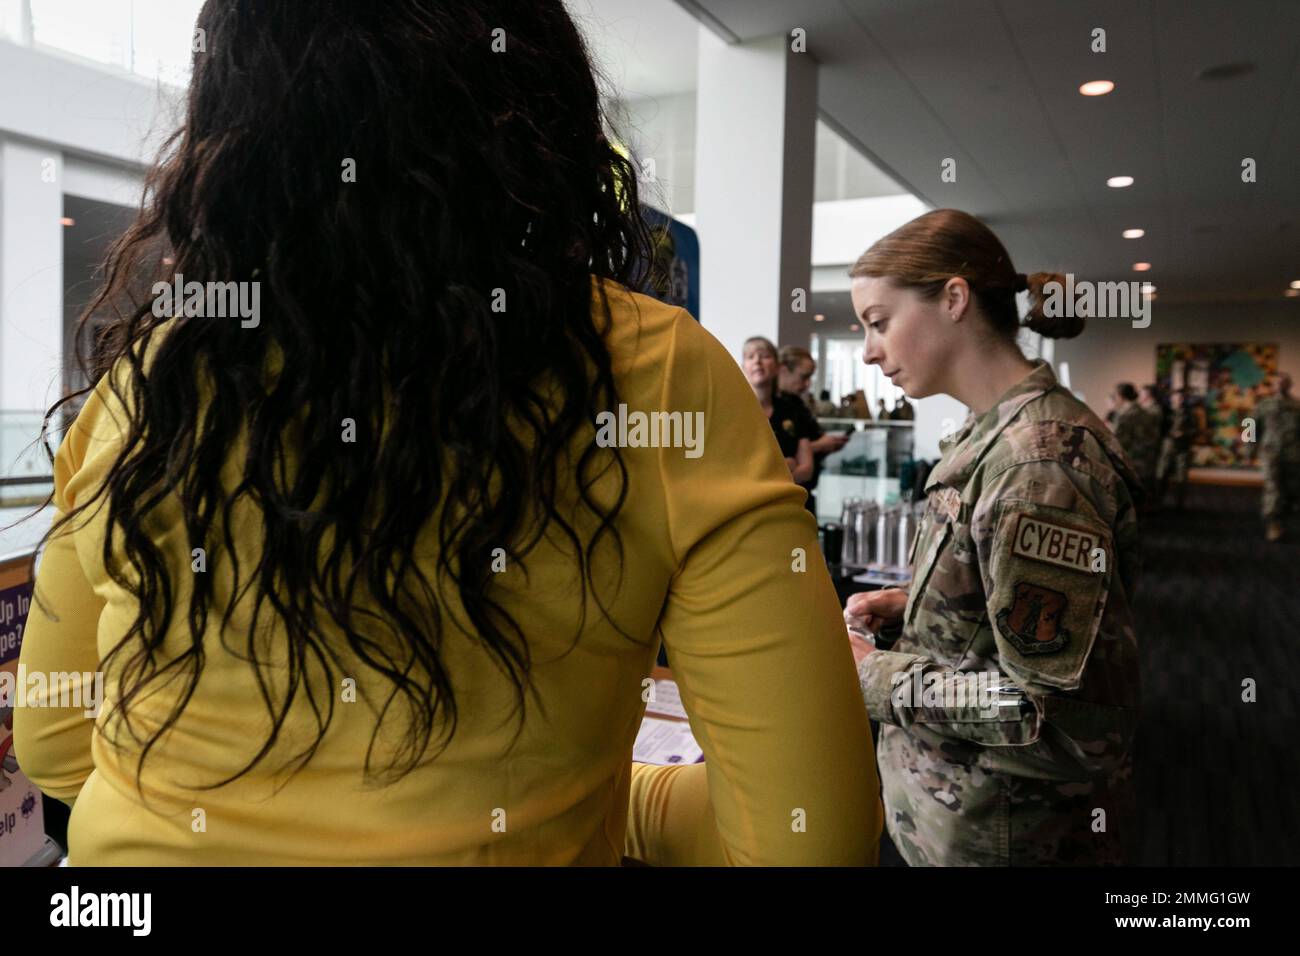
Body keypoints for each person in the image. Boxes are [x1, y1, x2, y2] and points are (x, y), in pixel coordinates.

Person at [14, 0, 881, 866]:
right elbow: (812, 840)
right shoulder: (655, 373)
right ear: (544, 108)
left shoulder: (149, 382)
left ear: (229, 133)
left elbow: (55, 744)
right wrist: (614, 799)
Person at [841, 208, 1141, 866]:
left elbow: (1049, 714)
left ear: (953, 298)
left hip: (1005, 836)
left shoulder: (1039, 466)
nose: (867, 350)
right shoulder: (993, 436)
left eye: (878, 322)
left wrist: (874, 675)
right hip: (957, 818)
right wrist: (919, 603)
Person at [778, 345, 850, 510]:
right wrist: (819, 446)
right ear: (783, 370)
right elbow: (780, 455)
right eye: (803, 377)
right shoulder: (777, 409)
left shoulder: (796, 405)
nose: (807, 384)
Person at [743, 337, 816, 485]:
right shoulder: (734, 411)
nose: (757, 361)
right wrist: (788, 464)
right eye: (750, 357)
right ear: (743, 366)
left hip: (790, 503)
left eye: (764, 356)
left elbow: (807, 469)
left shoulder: (793, 410)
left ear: (777, 367)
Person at [1253, 372, 1300, 542]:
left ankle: (1283, 516)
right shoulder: (1263, 405)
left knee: (1290, 489)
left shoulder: (1297, 406)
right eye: (1277, 383)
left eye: (1284, 383)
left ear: (1289, 385)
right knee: (1273, 487)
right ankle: (1273, 523)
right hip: (1270, 453)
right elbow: (1249, 425)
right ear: (1273, 386)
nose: (1280, 386)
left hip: (1293, 454)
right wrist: (1248, 448)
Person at [1111, 382, 1160, 498]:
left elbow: (1117, 441)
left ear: (1120, 396)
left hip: (1129, 460)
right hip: (1144, 459)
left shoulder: (1124, 415)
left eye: (1116, 395)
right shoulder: (1145, 412)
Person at [1156, 388, 1195, 510]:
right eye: (1176, 397)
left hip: (1182, 448)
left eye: (1181, 398)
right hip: (1166, 446)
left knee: (1181, 477)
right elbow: (1158, 428)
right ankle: (1158, 501)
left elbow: (1195, 429)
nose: (1179, 400)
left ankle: (1179, 504)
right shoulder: (1164, 411)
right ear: (1171, 398)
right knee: (1161, 474)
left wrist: (1184, 433)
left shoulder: (1188, 413)